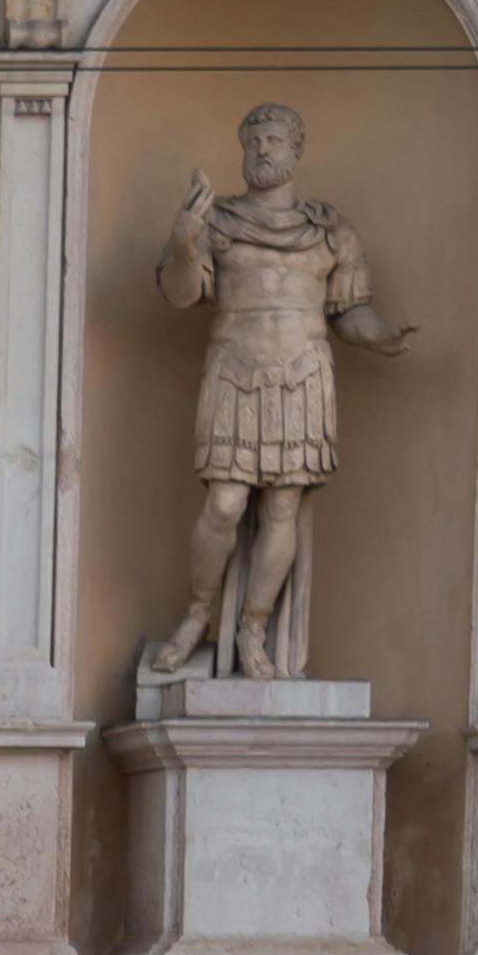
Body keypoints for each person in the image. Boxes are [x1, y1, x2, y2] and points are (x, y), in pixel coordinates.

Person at [138, 102, 417, 685]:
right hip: (235, 367)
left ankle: (254, 629)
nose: (263, 149)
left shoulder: (331, 231)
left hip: (304, 372)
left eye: (275, 140)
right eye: (255, 140)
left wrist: (382, 337)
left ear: (296, 150)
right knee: (225, 503)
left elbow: (349, 311)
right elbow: (181, 294)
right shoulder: (217, 222)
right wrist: (185, 241)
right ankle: (196, 615)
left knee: (284, 505)